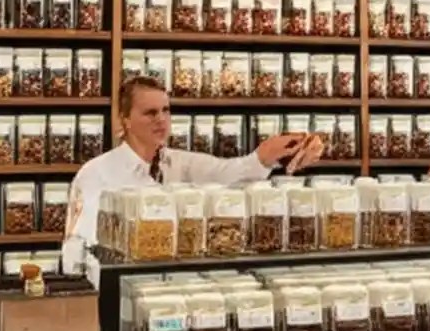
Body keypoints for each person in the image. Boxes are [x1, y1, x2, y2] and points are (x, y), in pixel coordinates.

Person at [62, 76, 323, 273]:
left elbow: (227, 173)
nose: (161, 119)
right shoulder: (97, 173)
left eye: (166, 110)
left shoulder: (179, 163)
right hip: (121, 285)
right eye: (150, 112)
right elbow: (78, 248)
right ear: (125, 120)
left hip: (176, 283)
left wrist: (281, 150)